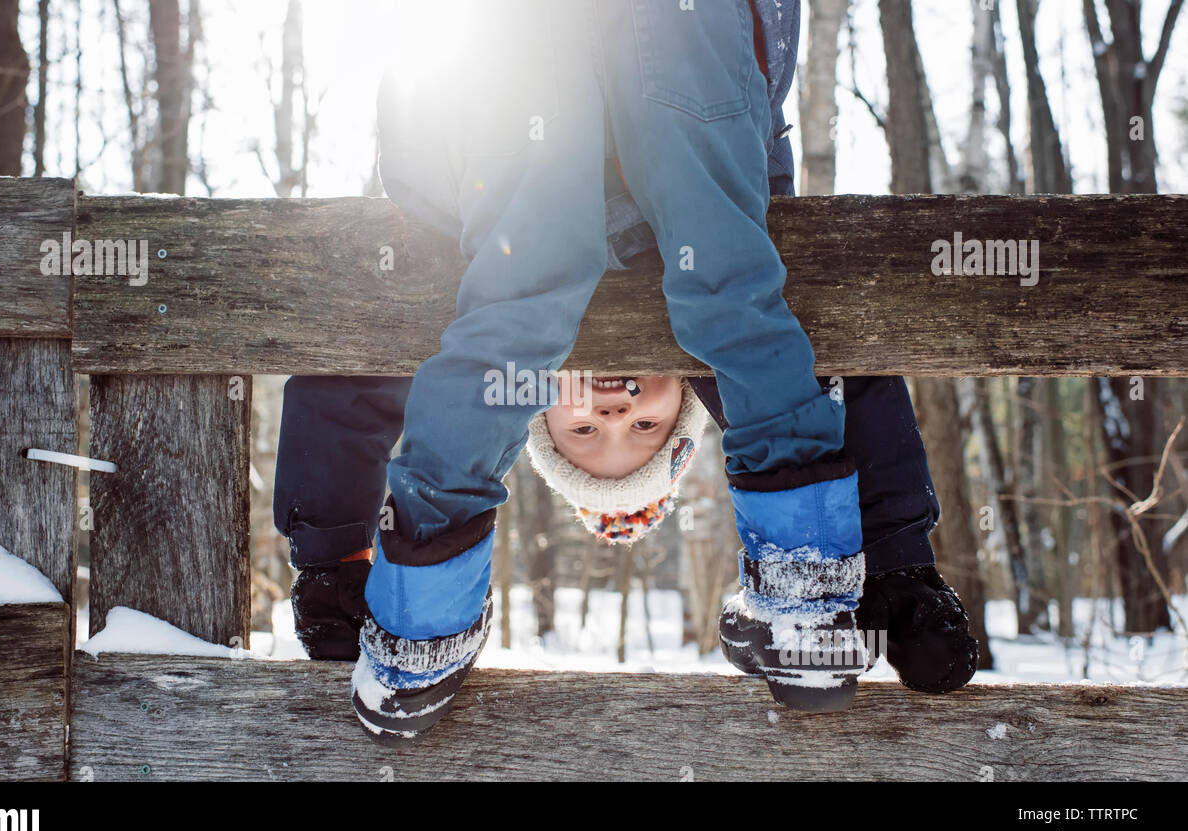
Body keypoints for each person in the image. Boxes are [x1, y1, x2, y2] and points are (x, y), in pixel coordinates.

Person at [277, 0, 976, 744]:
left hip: (504, 82)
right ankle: (805, 599)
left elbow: (354, 385)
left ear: (535, 410)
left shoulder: (481, 307)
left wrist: (335, 555)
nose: (613, 414)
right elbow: (835, 374)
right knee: (730, 284)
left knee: (520, 304)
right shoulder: (714, 326)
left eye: (583, 430)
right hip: (683, 51)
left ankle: (426, 626)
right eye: (646, 426)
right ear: (692, 392)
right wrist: (897, 557)